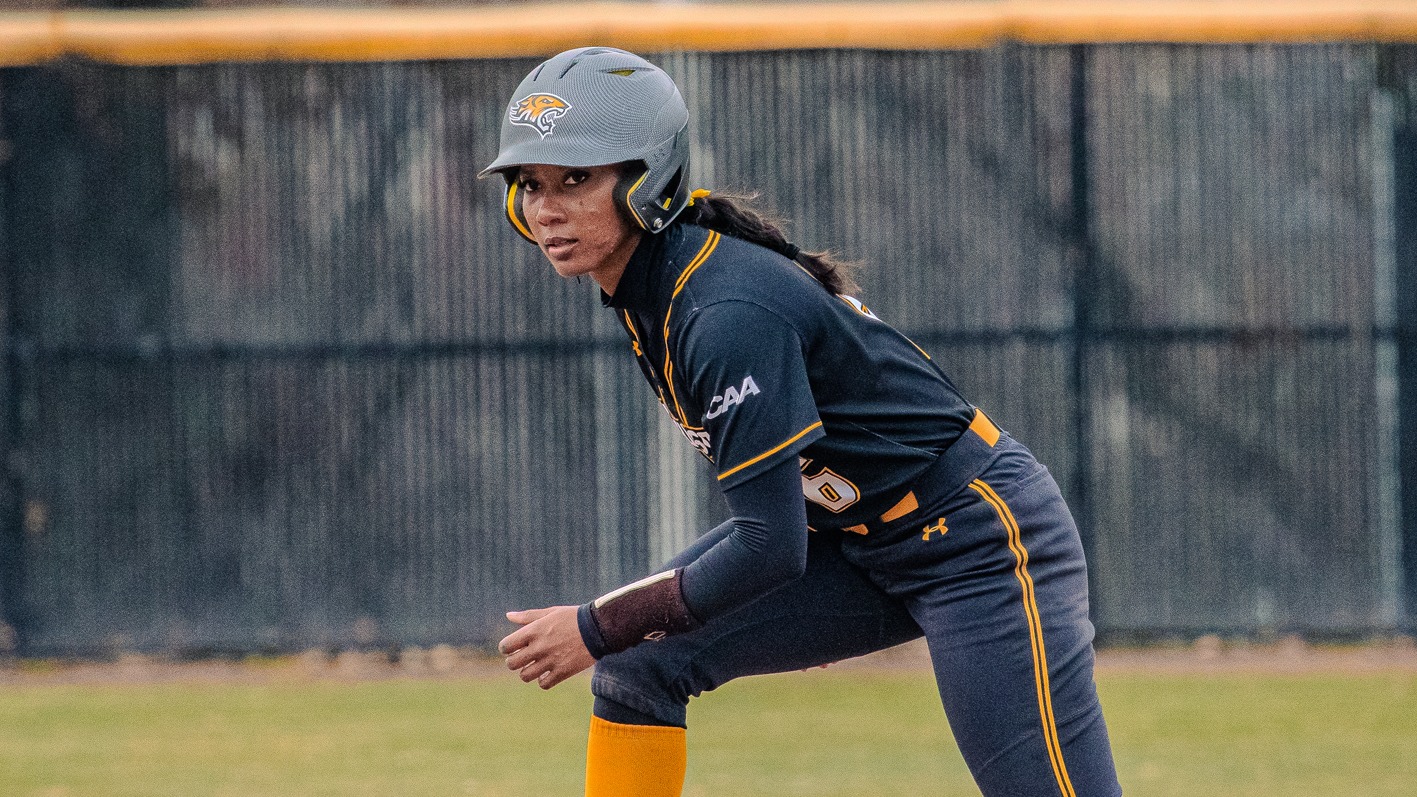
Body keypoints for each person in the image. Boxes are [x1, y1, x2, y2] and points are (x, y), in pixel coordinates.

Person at [483, 46, 1122, 797]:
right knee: (639, 668)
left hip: (975, 542)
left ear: (644, 179)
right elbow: (786, 524)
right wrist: (620, 630)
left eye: (575, 179)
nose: (546, 207)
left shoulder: (719, 310)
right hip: (856, 539)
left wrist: (593, 623)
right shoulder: (651, 290)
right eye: (528, 184)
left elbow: (767, 546)